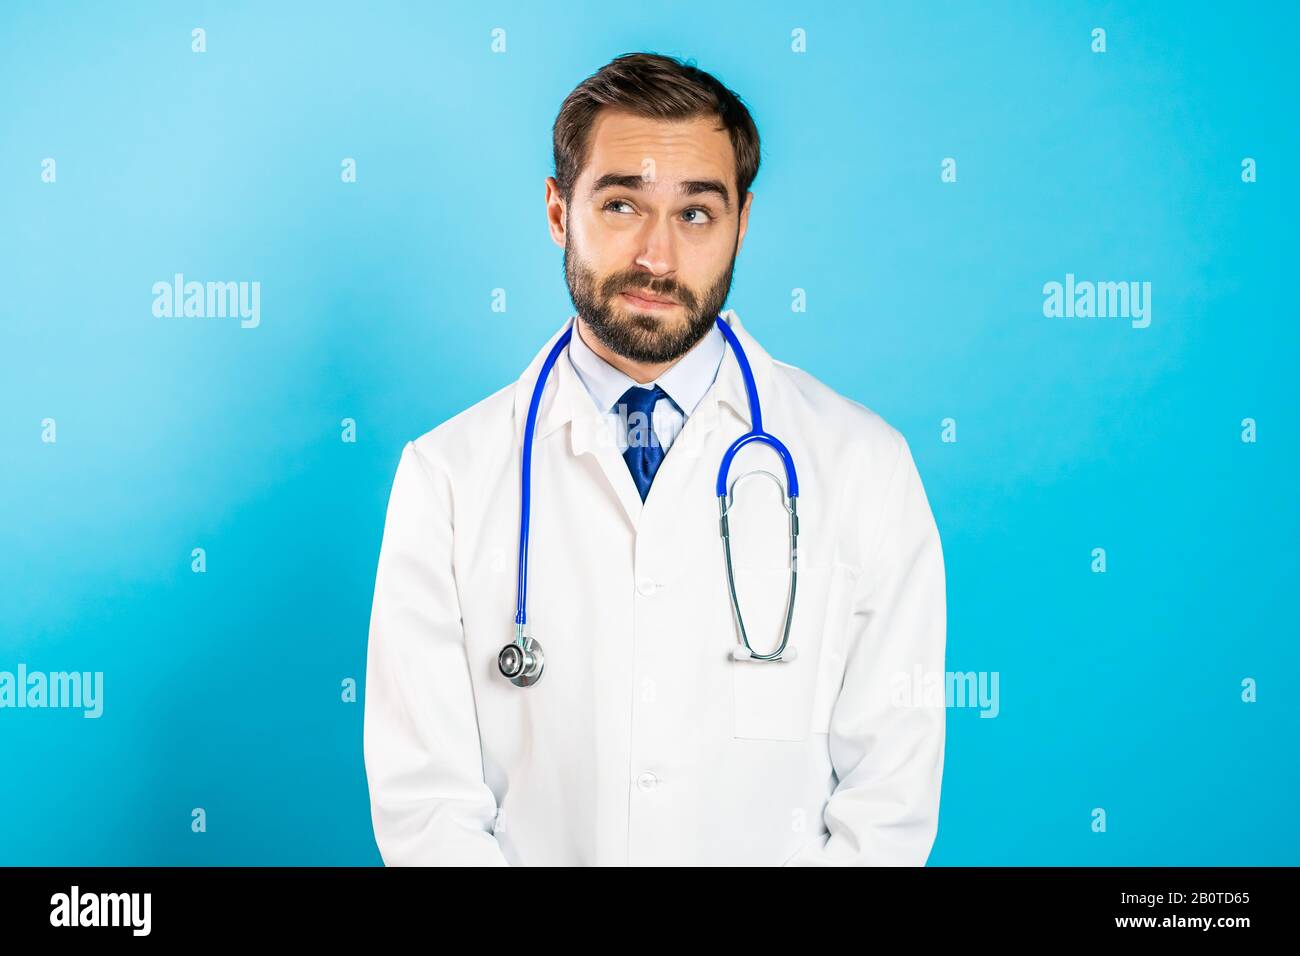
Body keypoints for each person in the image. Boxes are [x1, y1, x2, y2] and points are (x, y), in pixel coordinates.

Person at [363, 52, 946, 866]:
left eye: (696, 214)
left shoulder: (862, 467)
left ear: (743, 221)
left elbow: (886, 801)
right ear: (559, 213)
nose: (656, 257)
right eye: (622, 205)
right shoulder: (447, 478)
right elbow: (428, 805)